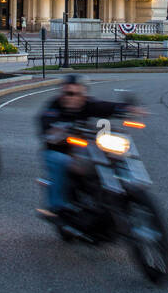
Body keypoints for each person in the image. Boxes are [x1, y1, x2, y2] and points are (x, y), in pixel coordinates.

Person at [36, 75, 137, 216]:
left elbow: (105, 107)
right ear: (62, 93)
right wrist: (56, 133)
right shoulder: (53, 108)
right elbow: (46, 126)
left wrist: (127, 109)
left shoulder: (86, 104)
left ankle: (124, 192)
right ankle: (57, 207)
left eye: (78, 94)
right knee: (60, 160)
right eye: (68, 93)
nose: (72, 97)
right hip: (60, 150)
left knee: (114, 156)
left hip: (82, 149)